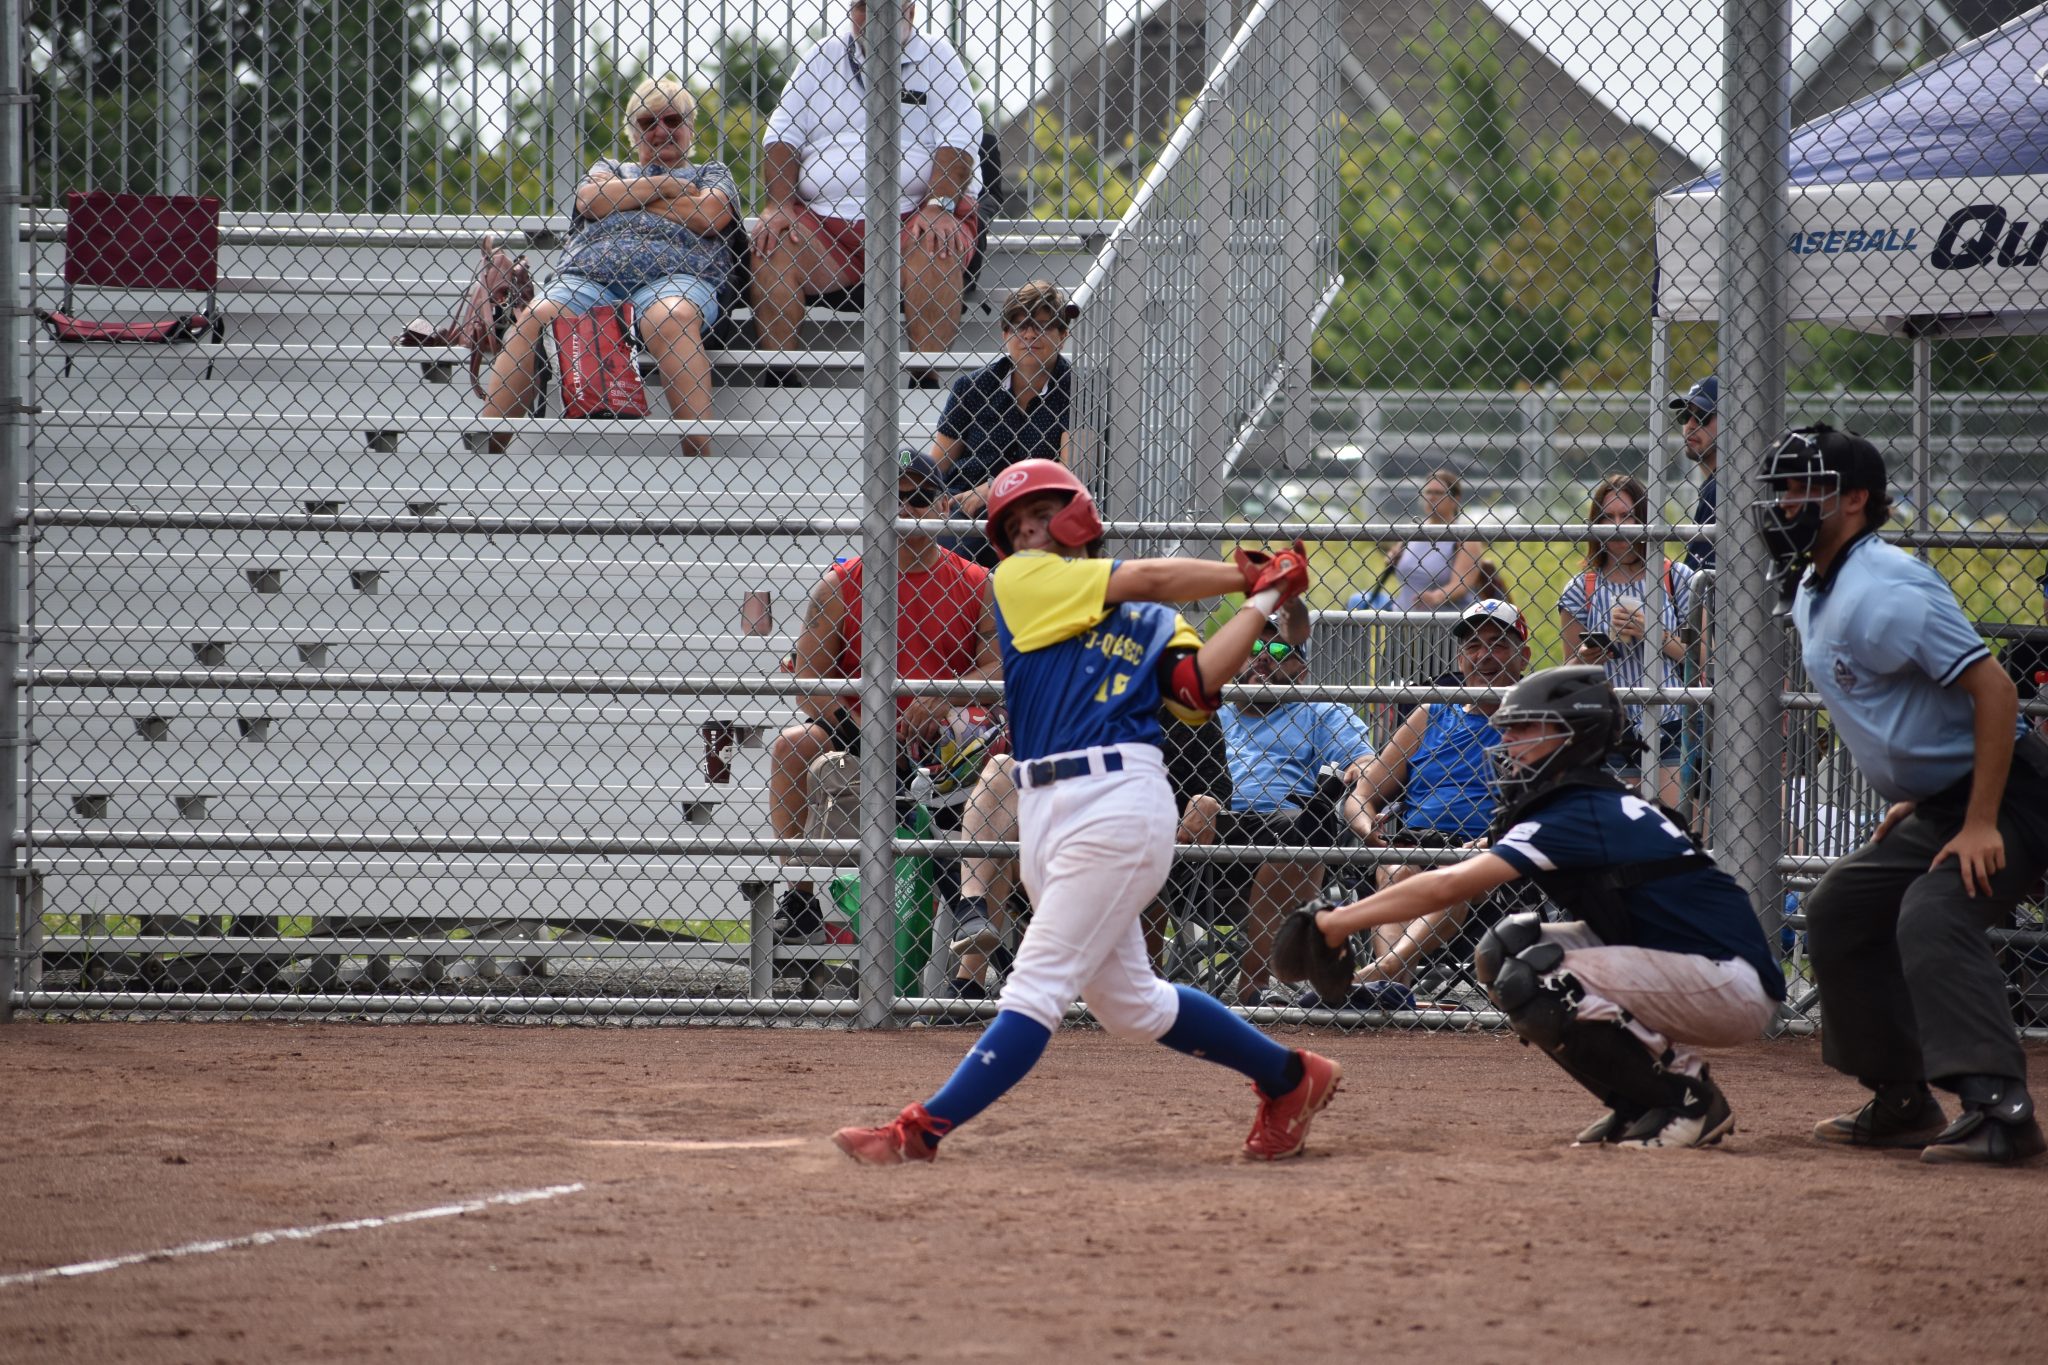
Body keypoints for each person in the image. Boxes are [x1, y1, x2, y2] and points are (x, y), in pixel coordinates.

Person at [831, 460, 1341, 1163]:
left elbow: (1195, 688)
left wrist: (1264, 601)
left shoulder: (1152, 622)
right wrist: (1249, 577)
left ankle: (920, 1130)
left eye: (1040, 517)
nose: (1028, 534)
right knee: (1132, 1005)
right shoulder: (1023, 580)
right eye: (1016, 526)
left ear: (1078, 516)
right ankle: (1291, 1078)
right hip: (1044, 806)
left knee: (1035, 983)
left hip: (1118, 802)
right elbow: (1147, 577)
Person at [1299, 666, 1783, 1148]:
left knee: (1537, 973)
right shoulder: (1582, 799)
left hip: (1724, 982)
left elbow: (1448, 884)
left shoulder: (1580, 809)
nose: (1506, 739)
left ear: (1574, 737)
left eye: (1524, 727)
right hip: (1686, 961)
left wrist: (1337, 921)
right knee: (1508, 949)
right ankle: (1639, 1101)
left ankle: (1688, 1099)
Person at [1754, 424, 2048, 1164]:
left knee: (1933, 913)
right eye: (1780, 488)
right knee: (1842, 909)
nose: (1783, 503)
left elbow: (1995, 690)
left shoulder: (1888, 586)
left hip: (2010, 793)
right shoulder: (1819, 581)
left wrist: (1980, 818)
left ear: (1854, 499)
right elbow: (1908, 712)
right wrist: (1922, 791)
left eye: (1801, 488)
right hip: (1948, 798)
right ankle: (1902, 1096)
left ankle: (1999, 1109)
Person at [769, 451, 1000, 943]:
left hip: (951, 738)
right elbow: (809, 680)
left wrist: (943, 697)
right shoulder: (839, 584)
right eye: (895, 498)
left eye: (919, 499)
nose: (907, 509)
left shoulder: (978, 582)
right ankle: (800, 895)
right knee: (791, 745)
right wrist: (866, 733)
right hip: (859, 736)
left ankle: (969, 906)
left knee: (986, 749)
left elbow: (998, 665)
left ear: (943, 507)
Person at [481, 77, 737, 459]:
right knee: (537, 314)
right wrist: (668, 188)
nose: (661, 130)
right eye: (648, 122)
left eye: (672, 120)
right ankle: (488, 453)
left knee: (672, 317)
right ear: (632, 133)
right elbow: (590, 202)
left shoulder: (712, 172)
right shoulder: (610, 165)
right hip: (589, 276)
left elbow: (710, 216)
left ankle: (699, 460)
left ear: (691, 128)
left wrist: (626, 198)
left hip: (678, 277)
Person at [750, 0, 982, 376]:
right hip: (824, 225)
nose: (872, 16)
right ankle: (780, 375)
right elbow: (782, 134)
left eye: (884, 7)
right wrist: (777, 205)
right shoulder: (821, 55)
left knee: (938, 242)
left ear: (909, 11)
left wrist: (939, 205)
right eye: (862, 6)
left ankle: (924, 380)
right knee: (772, 242)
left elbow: (959, 139)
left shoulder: (939, 57)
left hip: (914, 214)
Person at [1336, 599, 1535, 1002]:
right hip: (1418, 842)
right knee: (1394, 867)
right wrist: (1364, 821)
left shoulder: (1536, 718)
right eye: (1472, 646)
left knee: (1457, 875)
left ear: (1523, 655)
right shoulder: (1433, 712)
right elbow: (1363, 793)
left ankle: (1385, 973)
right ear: (1460, 657)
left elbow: (1549, 801)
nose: (1483, 656)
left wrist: (1500, 838)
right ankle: (1394, 985)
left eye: (1497, 644)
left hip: (1491, 851)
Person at [1215, 606, 1375, 1004]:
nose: (1264, 656)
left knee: (1302, 828)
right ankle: (1140, 987)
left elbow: (1365, 762)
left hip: (1282, 829)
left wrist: (1358, 772)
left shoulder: (1320, 710)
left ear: (1302, 670)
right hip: (1208, 830)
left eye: (1282, 650)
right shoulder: (1208, 711)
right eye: (1254, 646)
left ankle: (1254, 985)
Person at [1557, 472, 1696, 808]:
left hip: (1671, 719)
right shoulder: (1581, 588)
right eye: (1607, 517)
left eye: (1628, 516)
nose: (1618, 526)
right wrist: (1589, 657)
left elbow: (1704, 658)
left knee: (1670, 826)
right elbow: (1568, 671)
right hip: (1608, 723)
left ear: (1644, 520)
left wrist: (1655, 634)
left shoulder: (1676, 577)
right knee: (1619, 827)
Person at [929, 280, 1074, 565]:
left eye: (1042, 325)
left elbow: (1071, 471)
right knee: (949, 548)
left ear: (1062, 335)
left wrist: (999, 487)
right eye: (1020, 325)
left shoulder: (1078, 391)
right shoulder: (972, 387)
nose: (1030, 334)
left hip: (1034, 505)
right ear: (1005, 333)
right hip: (966, 504)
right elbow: (937, 465)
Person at [1388, 469, 1483, 612]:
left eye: (1438, 493)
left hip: (1442, 622)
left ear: (1455, 498)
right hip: (1404, 619)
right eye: (1428, 492)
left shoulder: (1465, 537)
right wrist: (1391, 558)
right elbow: (1394, 561)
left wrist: (1435, 597)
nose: (1431, 498)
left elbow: (1461, 585)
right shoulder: (1413, 530)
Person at [1666, 375, 1719, 572]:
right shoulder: (1713, 484)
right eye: (1685, 415)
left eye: (1703, 416)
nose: (1690, 425)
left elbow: (1698, 583)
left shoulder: (1718, 488)